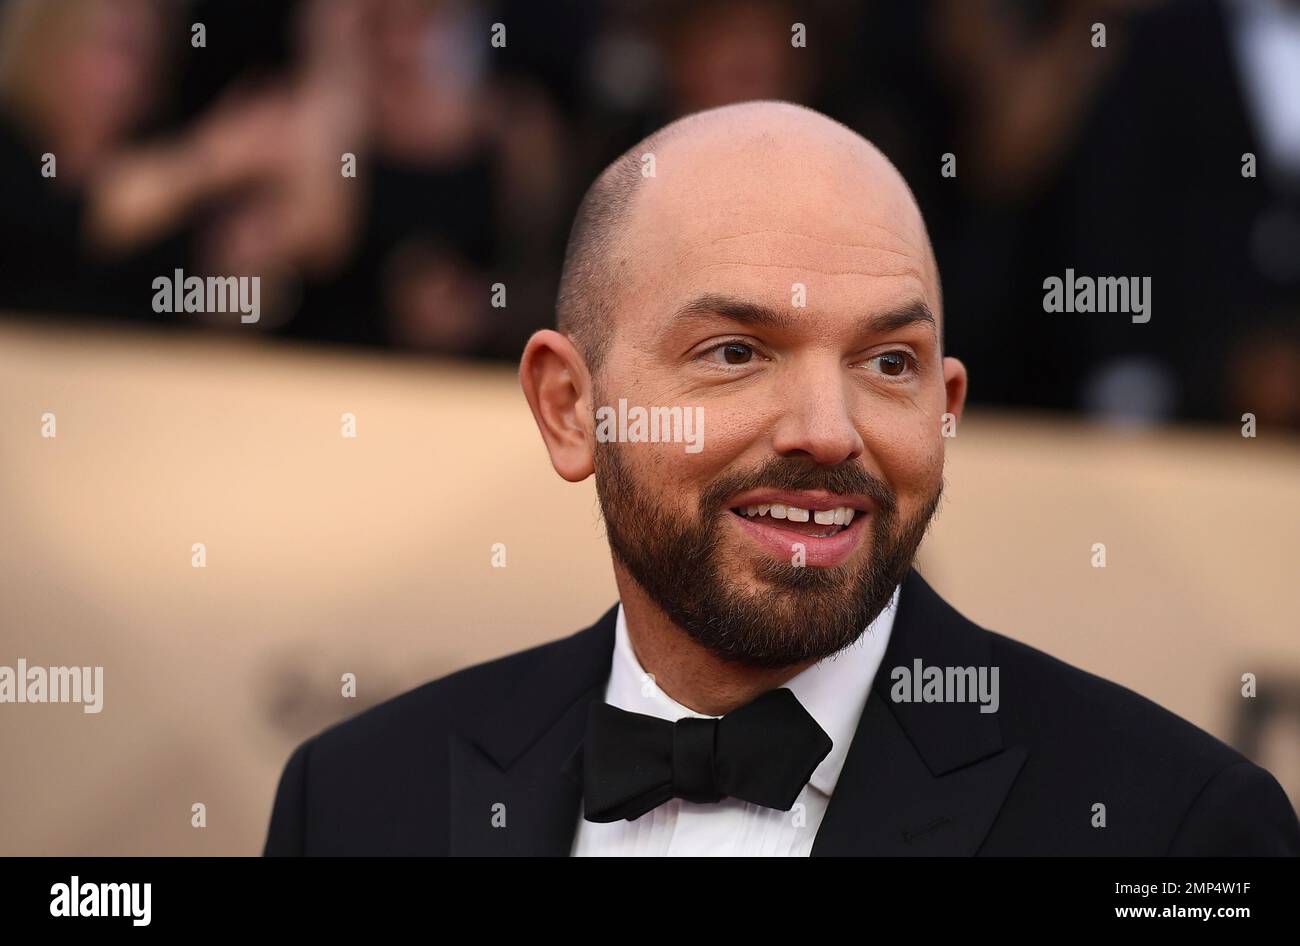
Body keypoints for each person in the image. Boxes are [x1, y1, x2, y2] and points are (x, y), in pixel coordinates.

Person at [264, 101, 1300, 856]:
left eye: (885, 364)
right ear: (569, 407)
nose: (826, 431)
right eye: (735, 352)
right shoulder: (357, 799)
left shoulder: (1174, 831)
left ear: (945, 406)